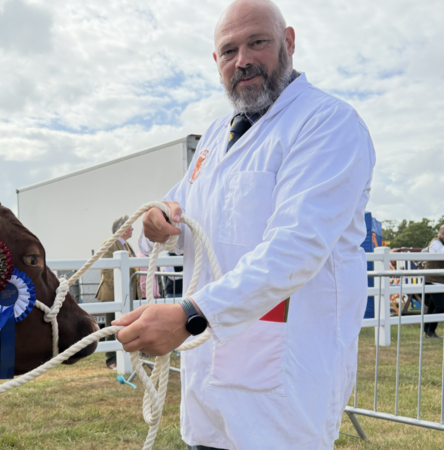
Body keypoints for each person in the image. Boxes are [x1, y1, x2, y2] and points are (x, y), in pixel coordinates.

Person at [113, 1, 376, 449]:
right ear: (216, 62)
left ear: (288, 43)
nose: (243, 60)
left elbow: (296, 249)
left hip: (284, 383)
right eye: (229, 50)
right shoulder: (216, 137)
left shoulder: (327, 124)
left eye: (258, 43)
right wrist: (156, 222)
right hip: (208, 385)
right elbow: (177, 210)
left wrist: (190, 316)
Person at [95, 215, 140, 370]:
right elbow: (106, 269)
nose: (133, 228)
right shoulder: (110, 243)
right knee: (111, 327)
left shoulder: (126, 245)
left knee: (125, 326)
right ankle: (111, 361)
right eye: (130, 226)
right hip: (113, 294)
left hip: (126, 294)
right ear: (123, 228)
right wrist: (120, 288)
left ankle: (126, 357)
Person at [424, 225, 444, 338]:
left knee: (432, 306)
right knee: (441, 306)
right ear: (442, 234)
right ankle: (430, 331)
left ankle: (428, 330)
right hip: (433, 279)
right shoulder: (435, 243)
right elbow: (442, 252)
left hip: (439, 280)